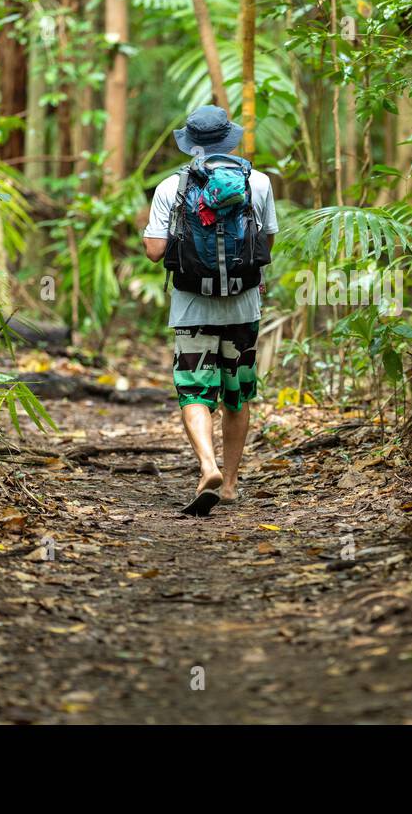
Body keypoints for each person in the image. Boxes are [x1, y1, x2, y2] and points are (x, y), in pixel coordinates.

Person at [142, 105, 277, 516]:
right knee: (238, 395)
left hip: (192, 308)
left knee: (194, 391)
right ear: (228, 139)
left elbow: (154, 252)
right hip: (243, 306)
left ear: (193, 144)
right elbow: (266, 243)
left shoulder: (171, 187)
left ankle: (207, 465)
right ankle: (232, 484)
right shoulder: (259, 182)